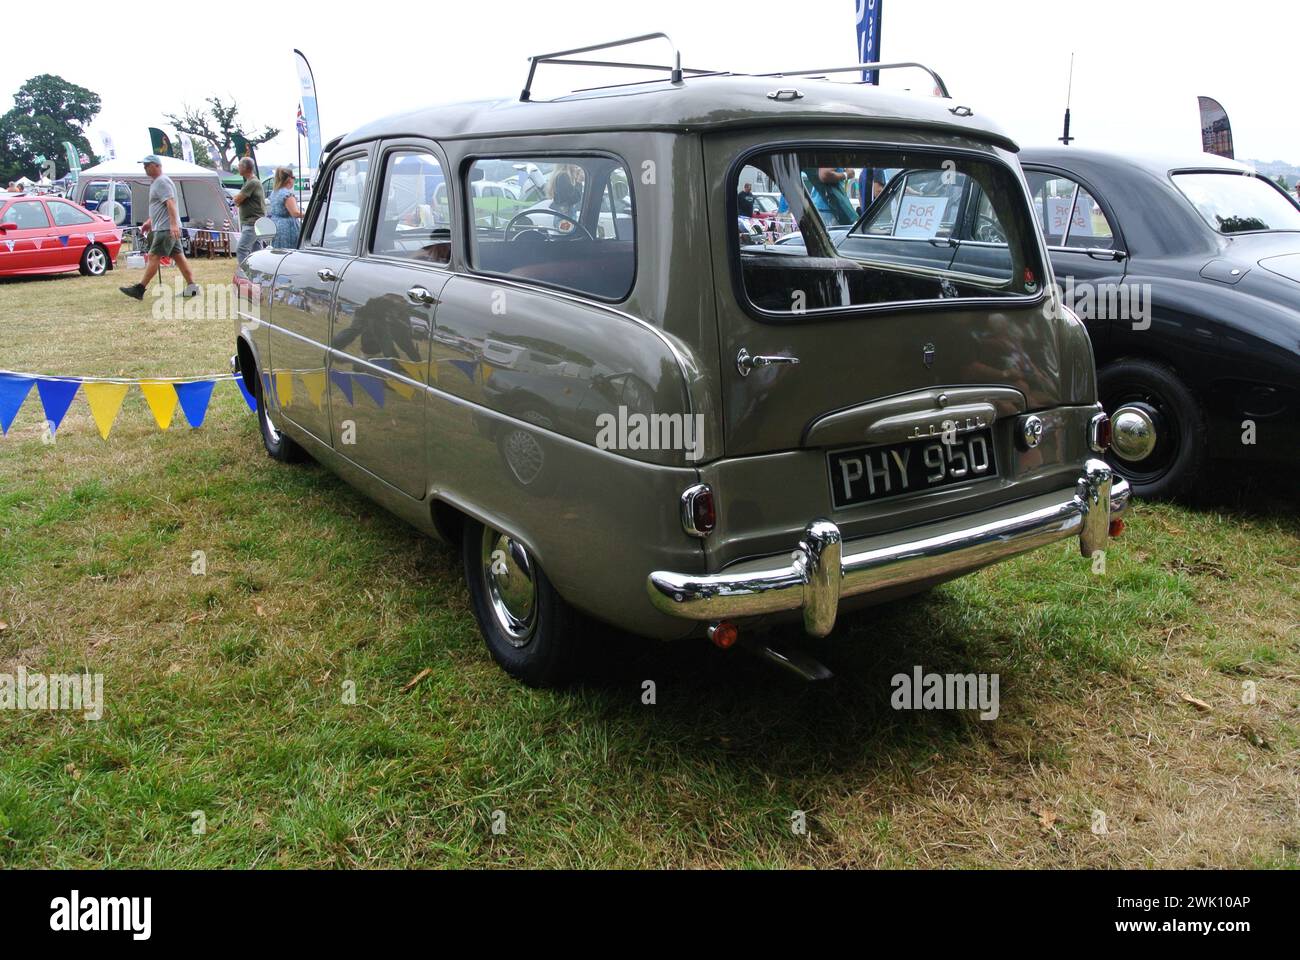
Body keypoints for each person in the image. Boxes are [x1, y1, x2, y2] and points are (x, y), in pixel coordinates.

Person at [119, 155, 199, 301]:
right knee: (179, 257)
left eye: (147, 165)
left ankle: (140, 288)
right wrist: (150, 221)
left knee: (154, 256)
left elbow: (170, 203)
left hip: (165, 228)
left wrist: (173, 225)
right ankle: (192, 287)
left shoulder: (162, 182)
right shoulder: (157, 182)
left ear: (156, 165)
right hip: (164, 226)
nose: (144, 167)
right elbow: (159, 206)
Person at [231, 157, 267, 266]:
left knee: (242, 248)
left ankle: (246, 272)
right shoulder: (251, 182)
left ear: (245, 168)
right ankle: (258, 271)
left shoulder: (252, 183)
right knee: (257, 251)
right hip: (255, 222)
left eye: (240, 165)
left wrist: (237, 199)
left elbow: (237, 199)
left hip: (252, 222)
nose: (238, 167)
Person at [267, 167, 303, 247]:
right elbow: (295, 213)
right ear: (289, 179)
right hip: (287, 228)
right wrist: (310, 215)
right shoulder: (287, 194)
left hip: (275, 226)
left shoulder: (274, 192)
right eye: (293, 178)